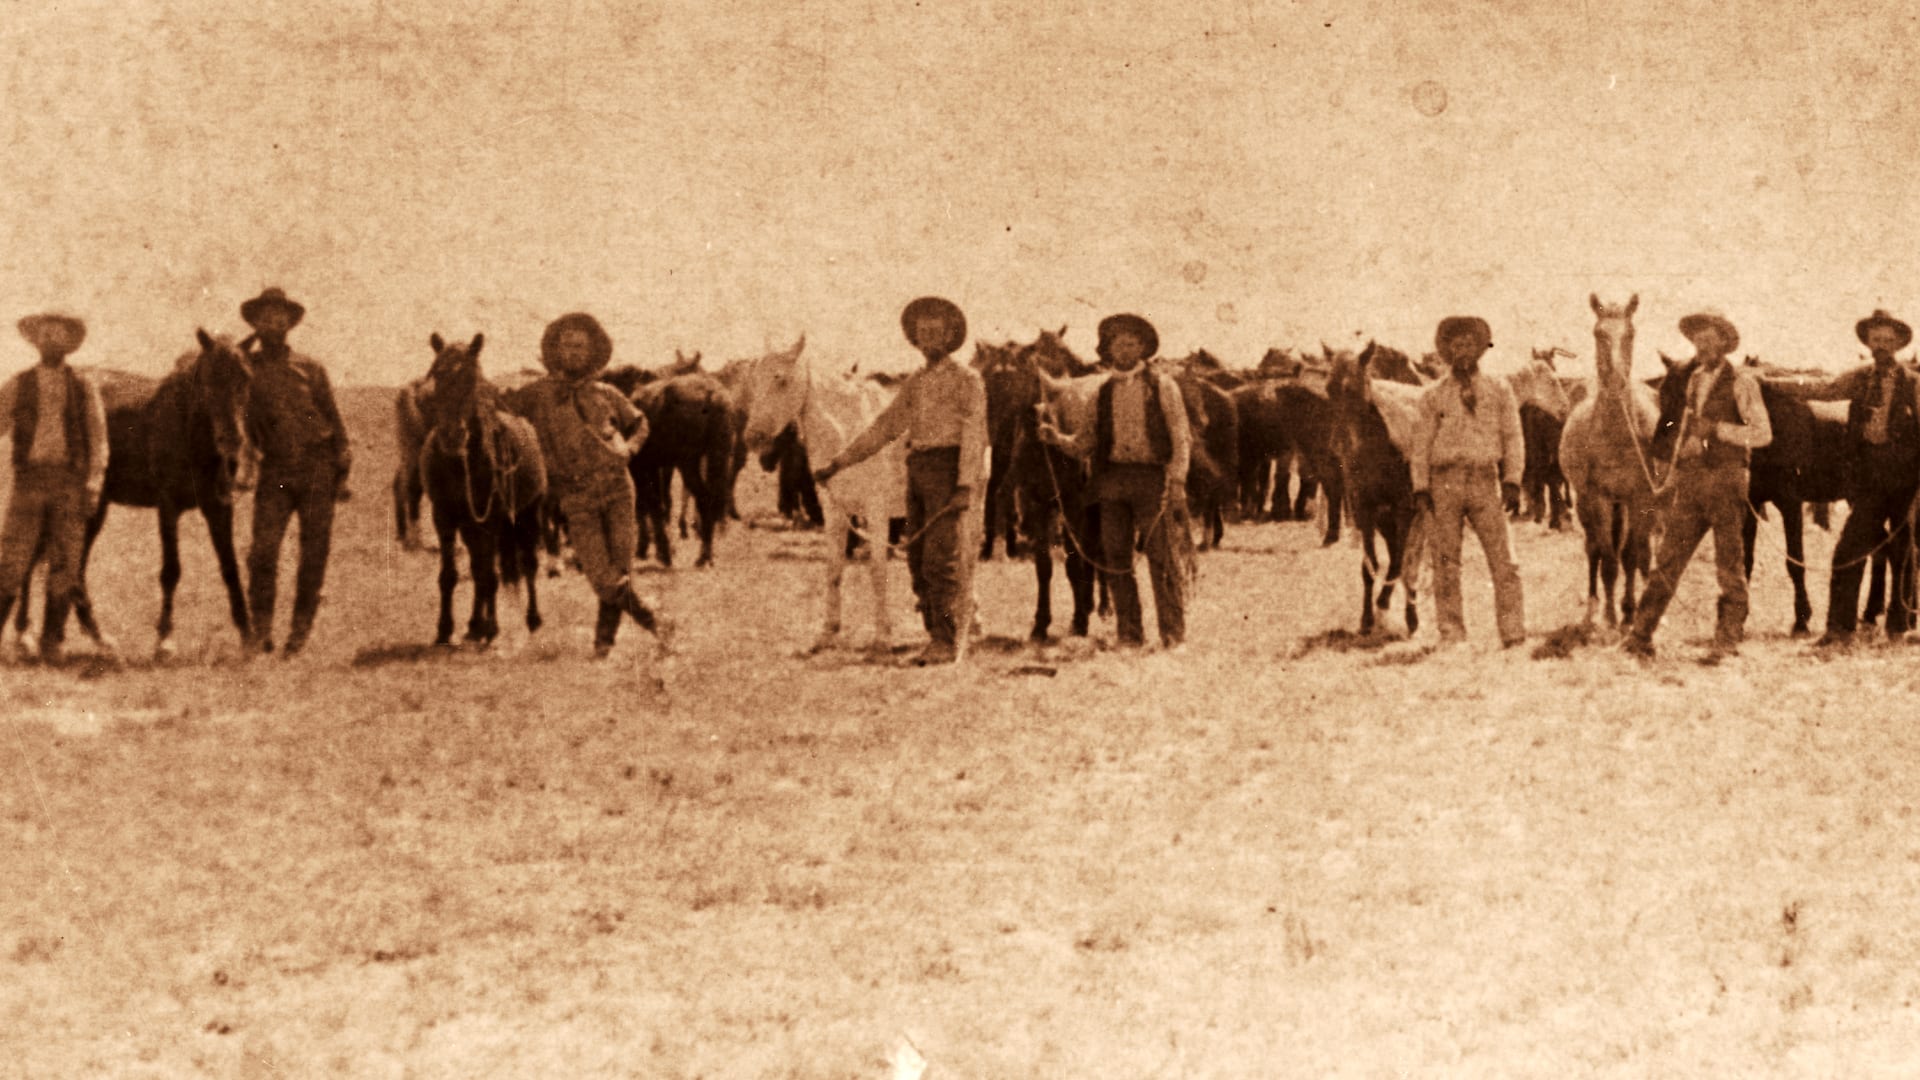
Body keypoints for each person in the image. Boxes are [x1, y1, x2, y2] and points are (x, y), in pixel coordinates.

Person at [812, 296, 986, 665]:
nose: (928, 340)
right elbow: (884, 428)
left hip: (949, 468)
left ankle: (946, 640)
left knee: (942, 559)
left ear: (950, 336)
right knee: (918, 559)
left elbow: (974, 435)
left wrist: (965, 485)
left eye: (936, 333)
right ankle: (935, 635)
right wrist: (839, 463)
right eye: (922, 334)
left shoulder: (967, 380)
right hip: (918, 469)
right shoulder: (915, 383)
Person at [504, 312, 668, 658]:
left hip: (619, 490)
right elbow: (503, 408)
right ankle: (656, 621)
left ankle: (602, 646)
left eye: (581, 346)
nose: (574, 352)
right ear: (555, 351)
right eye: (567, 346)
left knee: (619, 570)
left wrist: (630, 448)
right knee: (603, 578)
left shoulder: (606, 392)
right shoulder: (538, 395)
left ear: (593, 351)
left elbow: (640, 423)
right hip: (575, 498)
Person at [1623, 310, 1772, 660]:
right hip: (1691, 483)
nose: (1702, 346)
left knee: (1728, 566)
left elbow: (1763, 434)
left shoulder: (1743, 382)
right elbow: (1688, 439)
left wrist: (1718, 431)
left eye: (1710, 339)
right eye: (1697, 340)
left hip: (1726, 481)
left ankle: (1727, 640)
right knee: (1668, 560)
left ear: (1724, 342)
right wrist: (1672, 476)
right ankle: (1640, 635)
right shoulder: (1692, 382)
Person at [1037, 312, 1191, 650]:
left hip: (1153, 481)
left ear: (1143, 348)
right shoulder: (1101, 392)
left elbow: (1181, 437)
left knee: (1162, 558)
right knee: (1116, 561)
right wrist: (1055, 438)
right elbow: (1084, 443)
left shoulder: (1162, 386)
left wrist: (1176, 480)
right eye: (1118, 344)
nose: (1125, 350)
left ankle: (1173, 635)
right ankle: (1129, 635)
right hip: (1111, 482)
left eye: (1132, 343)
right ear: (1108, 349)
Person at [1771, 309, 1920, 646]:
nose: (1880, 345)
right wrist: (1770, 383)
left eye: (1887, 340)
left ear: (1897, 344)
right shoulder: (1859, 378)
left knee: (1905, 552)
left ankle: (1901, 626)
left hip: (1906, 481)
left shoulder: (1913, 383)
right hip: (1869, 482)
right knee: (1848, 551)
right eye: (1875, 339)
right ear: (1867, 342)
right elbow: (1821, 389)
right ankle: (1839, 630)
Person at [239, 288, 352, 656]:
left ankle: (299, 633)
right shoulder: (246, 367)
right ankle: (260, 631)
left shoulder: (311, 367)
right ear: (255, 323)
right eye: (265, 317)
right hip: (275, 469)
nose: (274, 323)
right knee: (263, 551)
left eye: (280, 317)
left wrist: (342, 464)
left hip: (318, 466)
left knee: (313, 553)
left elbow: (333, 418)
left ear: (290, 323)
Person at [1409, 315, 1527, 649]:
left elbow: (1513, 436)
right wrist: (1420, 487)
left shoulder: (1499, 389)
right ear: (1446, 351)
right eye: (1455, 345)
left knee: (1505, 561)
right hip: (1443, 483)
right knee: (1445, 562)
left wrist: (1513, 479)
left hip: (1485, 480)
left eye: (1469, 344)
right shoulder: (1432, 395)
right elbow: (1421, 444)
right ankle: (1451, 633)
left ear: (1479, 349)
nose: (1462, 351)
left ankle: (1514, 632)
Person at [0, 313, 109, 663]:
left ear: (68, 344)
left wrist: (93, 484)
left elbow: (98, 439)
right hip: (29, 483)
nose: (51, 341)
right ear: (36, 342)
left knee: (66, 563)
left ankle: (53, 641)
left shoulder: (83, 386)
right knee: (13, 562)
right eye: (45, 336)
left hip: (69, 484)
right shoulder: (19, 383)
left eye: (58, 336)